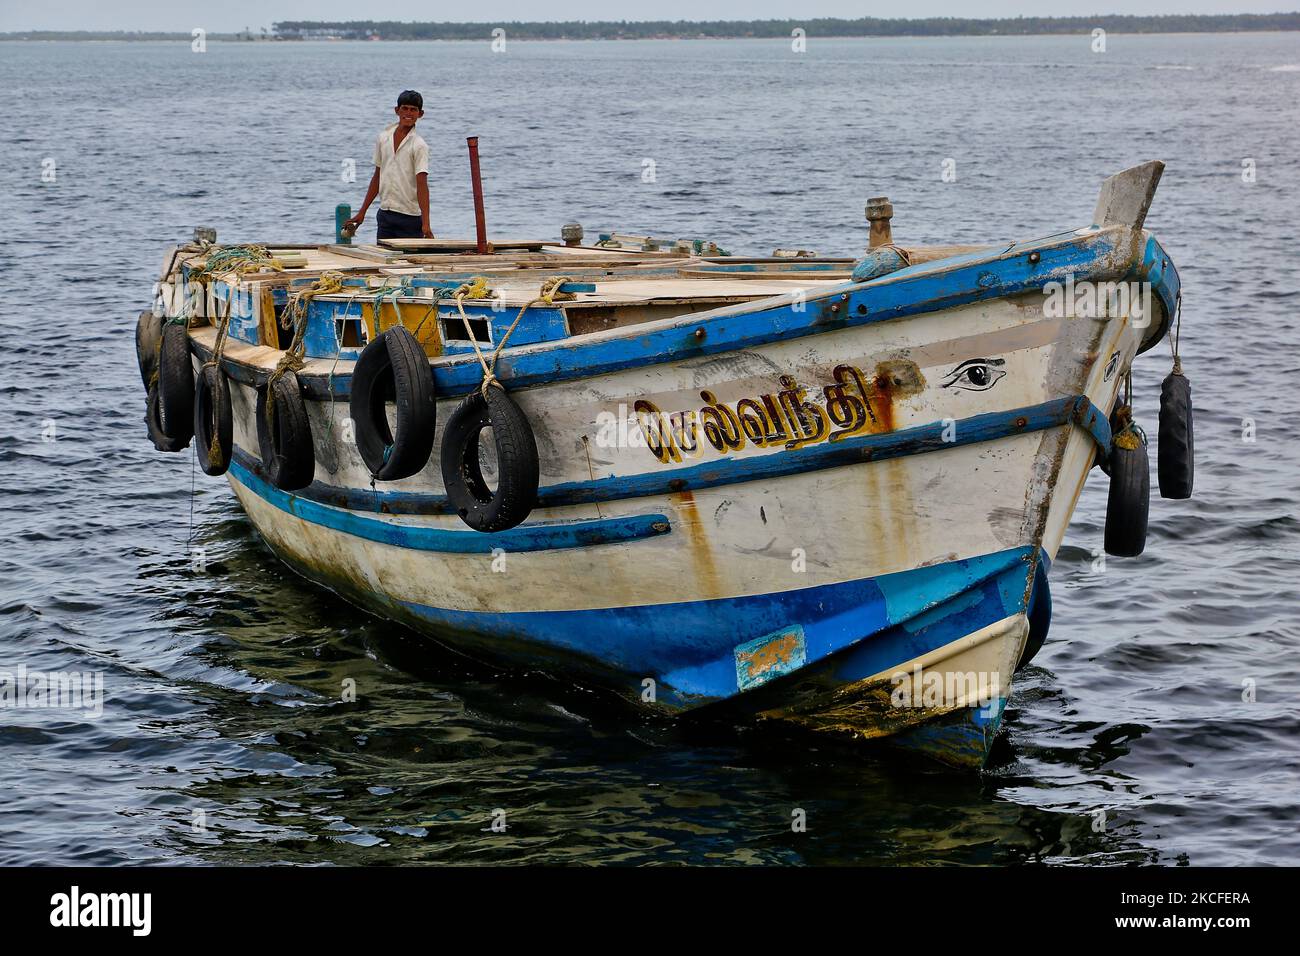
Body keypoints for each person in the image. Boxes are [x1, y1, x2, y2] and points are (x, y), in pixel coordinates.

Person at [344, 90, 432, 241]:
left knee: (409, 263)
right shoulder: (383, 138)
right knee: (384, 261)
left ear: (420, 114)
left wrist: (426, 224)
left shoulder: (419, 145)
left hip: (410, 218)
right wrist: (362, 212)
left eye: (413, 109)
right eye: (404, 108)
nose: (408, 113)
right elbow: (377, 177)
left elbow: (422, 184)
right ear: (397, 110)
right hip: (385, 215)